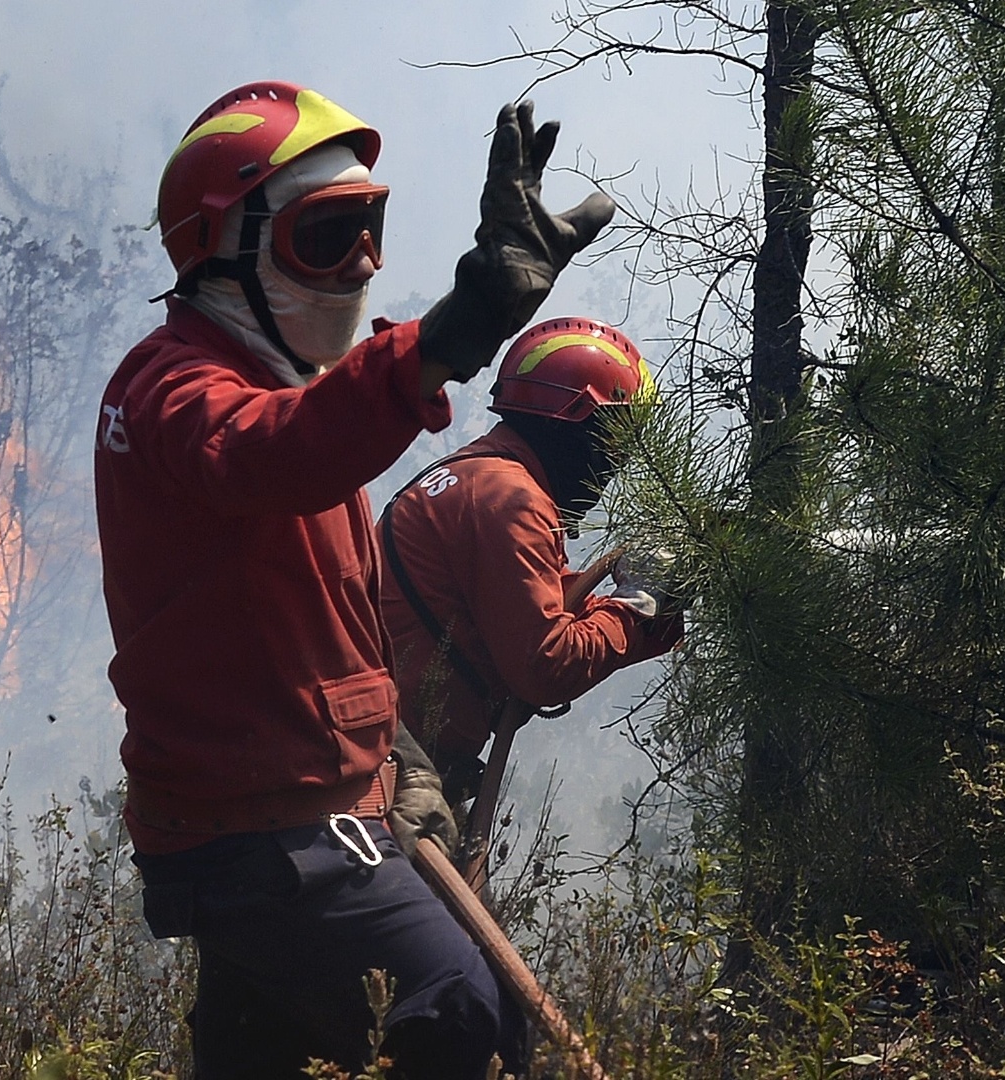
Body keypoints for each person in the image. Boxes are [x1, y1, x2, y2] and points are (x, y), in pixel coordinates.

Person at [94, 80, 613, 1078]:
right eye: (327, 237)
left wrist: (395, 761)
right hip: (266, 832)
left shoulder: (294, 395)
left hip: (287, 813)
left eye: (370, 229)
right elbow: (270, 454)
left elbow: (331, 632)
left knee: (277, 1058)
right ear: (224, 248)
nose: (364, 264)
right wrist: (456, 329)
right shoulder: (172, 389)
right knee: (465, 1011)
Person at [377, 317, 684, 803]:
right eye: (613, 448)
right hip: (384, 779)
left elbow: (538, 601)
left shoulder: (482, 476)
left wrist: (650, 602)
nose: (614, 468)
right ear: (577, 430)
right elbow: (546, 665)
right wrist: (635, 607)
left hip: (393, 760)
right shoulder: (510, 500)